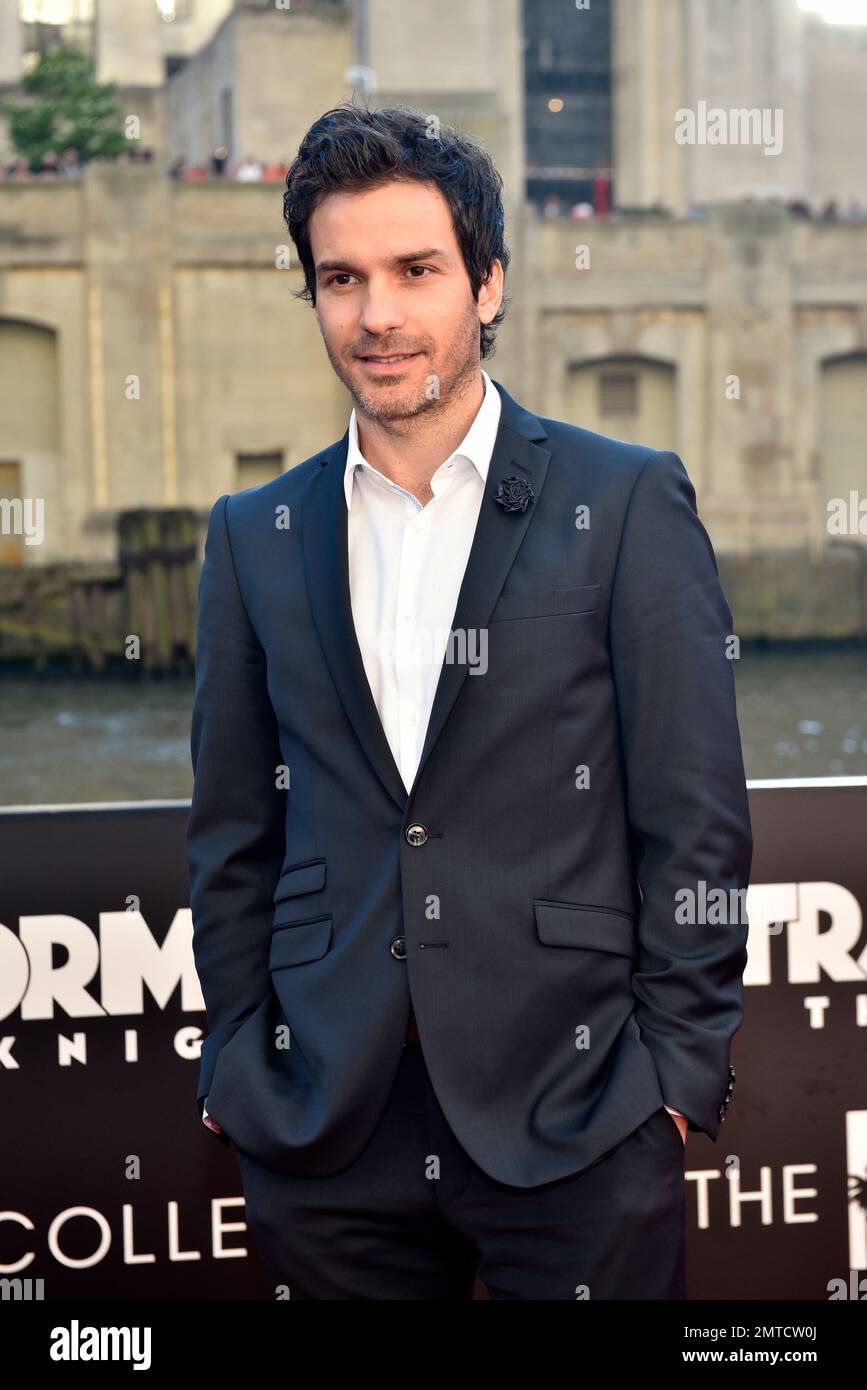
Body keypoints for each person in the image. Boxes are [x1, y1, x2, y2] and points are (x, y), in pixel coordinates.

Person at [186, 101, 752, 1301]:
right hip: (330, 1131)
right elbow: (234, 832)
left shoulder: (628, 500)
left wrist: (674, 1081)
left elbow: (694, 813)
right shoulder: (253, 535)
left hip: (582, 1114)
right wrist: (241, 1062)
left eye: (415, 270)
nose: (377, 314)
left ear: (487, 283)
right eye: (341, 277)